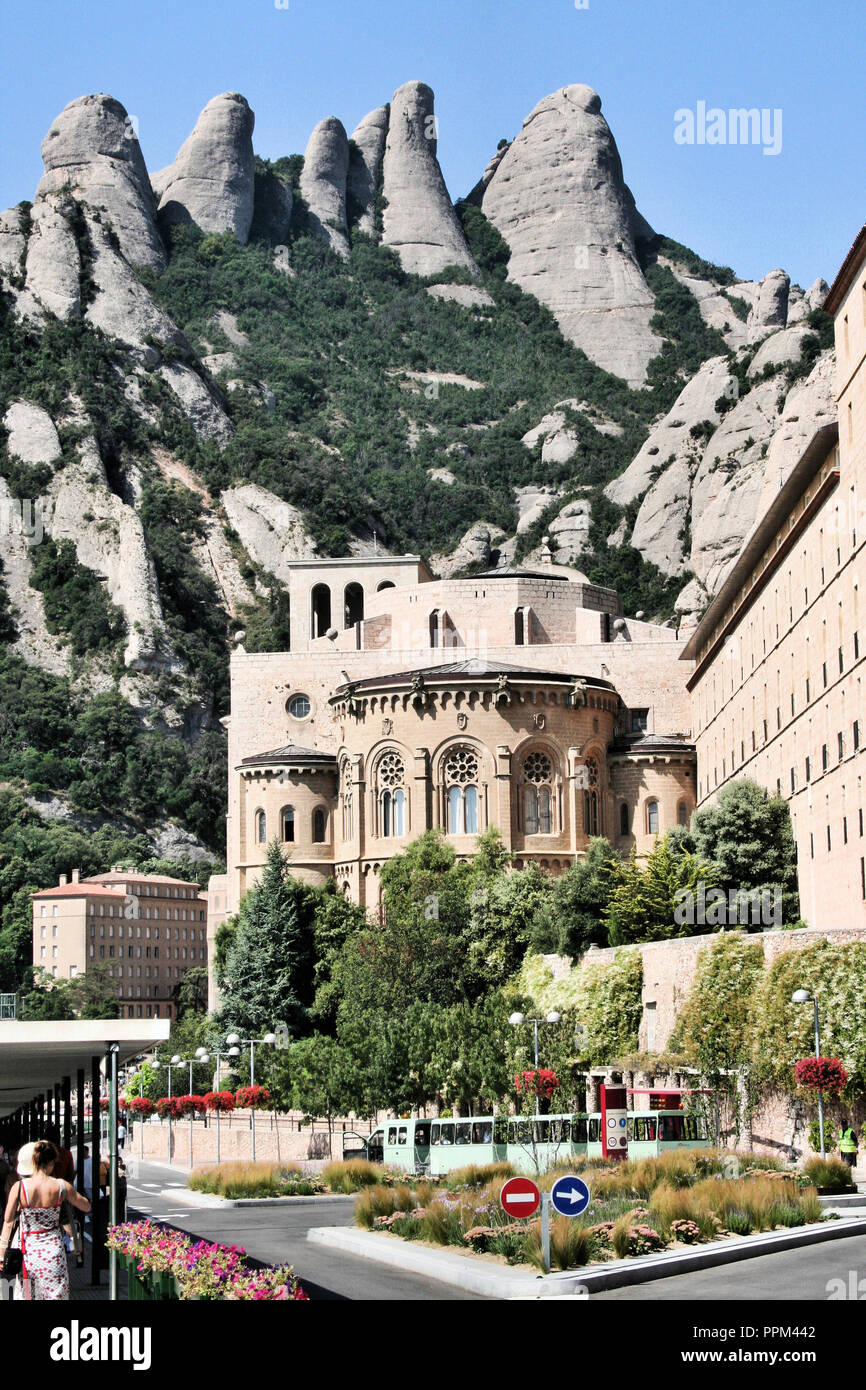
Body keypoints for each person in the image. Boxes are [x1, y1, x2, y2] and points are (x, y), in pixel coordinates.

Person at [0, 1140, 90, 1301]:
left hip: (28, 1252)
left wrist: (1, 1254)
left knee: (29, 1295)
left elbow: (8, 1221)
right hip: (53, 1254)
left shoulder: (19, 1188)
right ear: (51, 1163)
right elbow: (85, 1207)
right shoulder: (61, 1186)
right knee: (55, 1296)